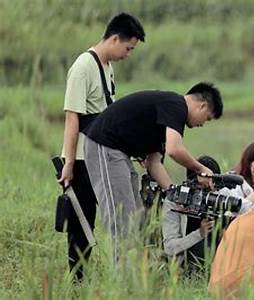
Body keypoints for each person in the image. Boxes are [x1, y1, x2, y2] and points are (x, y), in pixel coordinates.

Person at [83, 82, 223, 261]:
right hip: (106, 147)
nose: (203, 124)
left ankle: (133, 276)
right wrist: (201, 169)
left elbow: (153, 162)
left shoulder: (166, 117)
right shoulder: (176, 105)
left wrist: (175, 195)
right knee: (122, 221)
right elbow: (174, 149)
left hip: (120, 154)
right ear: (202, 105)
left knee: (137, 219)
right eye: (207, 118)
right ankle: (122, 281)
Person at [58, 12, 145, 281]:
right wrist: (69, 163)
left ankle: (116, 274)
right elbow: (73, 117)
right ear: (115, 38)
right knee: (81, 222)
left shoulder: (107, 67)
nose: (128, 54)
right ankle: (77, 280)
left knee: (115, 217)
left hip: (105, 153)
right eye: (128, 48)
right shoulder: (83, 67)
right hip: (83, 158)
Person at [162, 155, 220, 273]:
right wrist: (200, 233)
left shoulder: (218, 198)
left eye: (211, 188)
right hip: (185, 267)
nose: (207, 193)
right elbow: (170, 247)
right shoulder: (175, 201)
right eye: (203, 187)